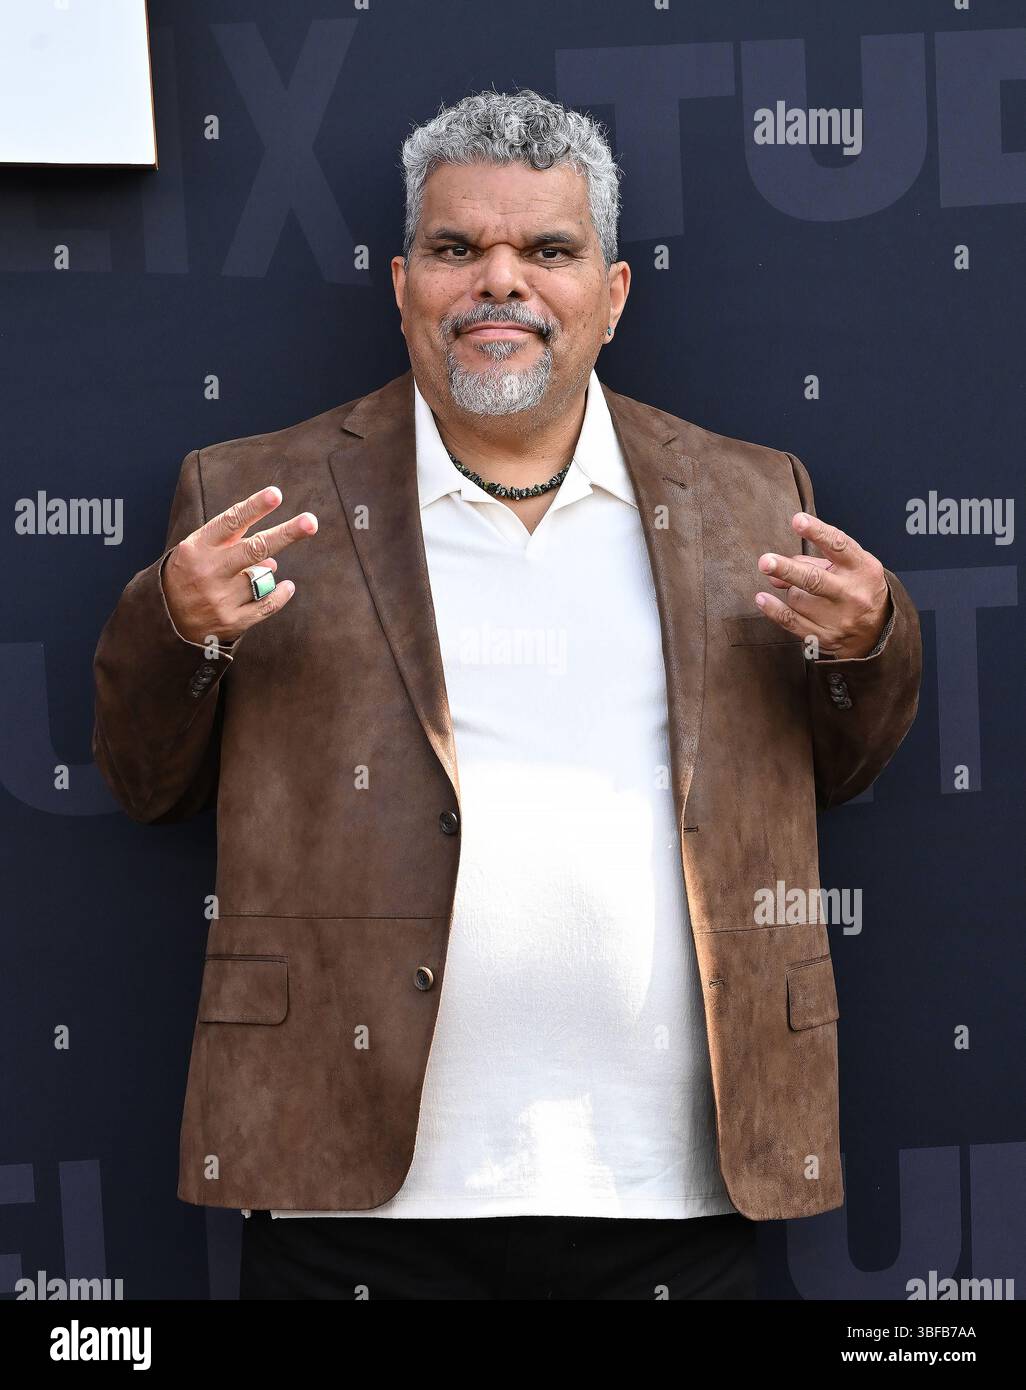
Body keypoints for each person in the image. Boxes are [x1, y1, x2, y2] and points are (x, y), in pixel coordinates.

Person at [92, 88, 921, 1300]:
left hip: (671, 1194)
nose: (500, 281)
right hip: (349, 1194)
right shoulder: (255, 494)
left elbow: (840, 772)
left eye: (547, 249)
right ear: (401, 282)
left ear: (614, 292)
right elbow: (144, 781)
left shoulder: (751, 499)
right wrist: (177, 627)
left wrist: (868, 645)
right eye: (455, 248)